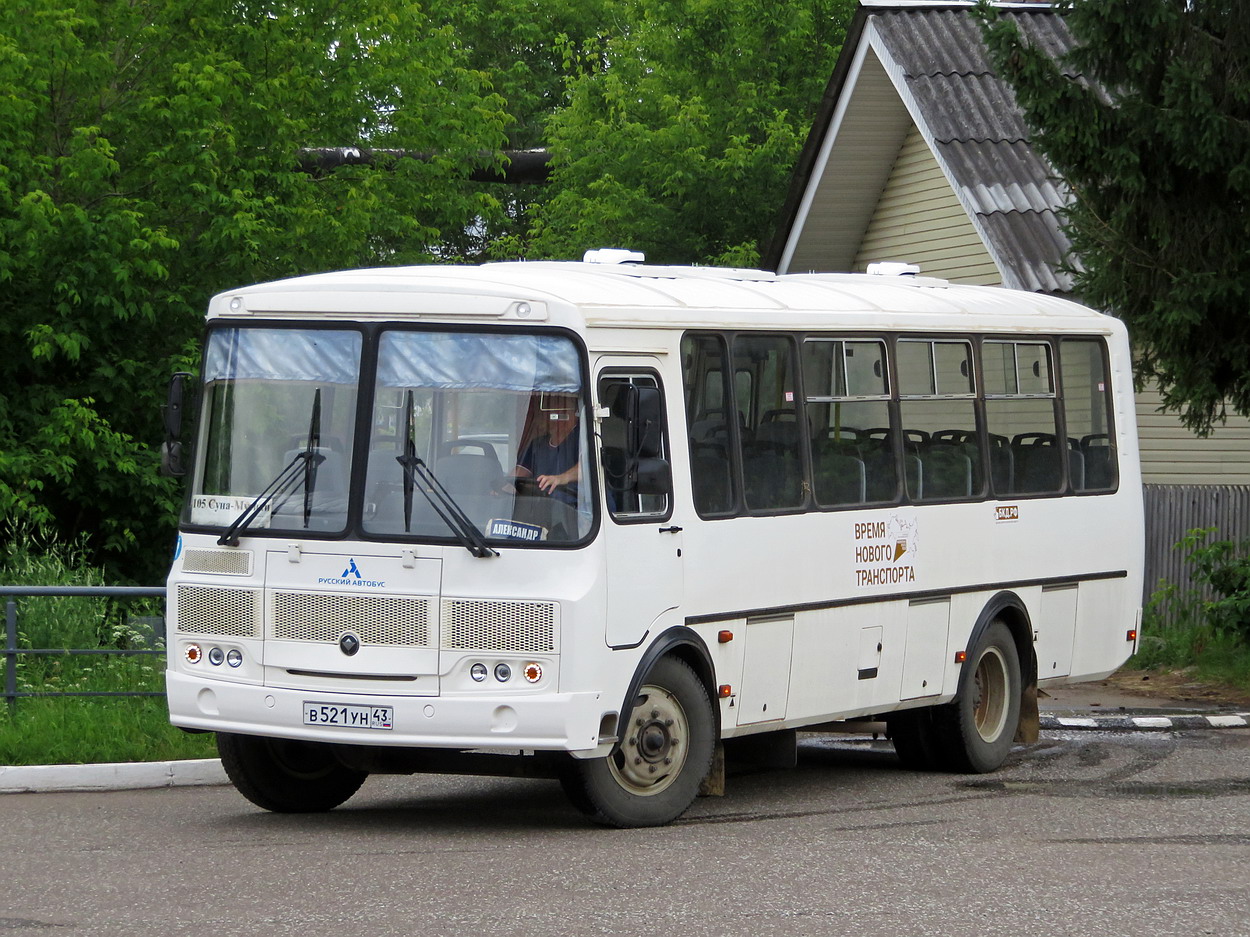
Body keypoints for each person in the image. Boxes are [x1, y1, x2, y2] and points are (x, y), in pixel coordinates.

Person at [514, 402, 581, 505]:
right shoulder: (538, 444)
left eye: (560, 415)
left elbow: (588, 467)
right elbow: (519, 473)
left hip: (576, 508)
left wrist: (561, 478)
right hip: (543, 506)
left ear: (573, 416)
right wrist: (504, 484)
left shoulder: (582, 438)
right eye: (551, 415)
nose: (553, 420)